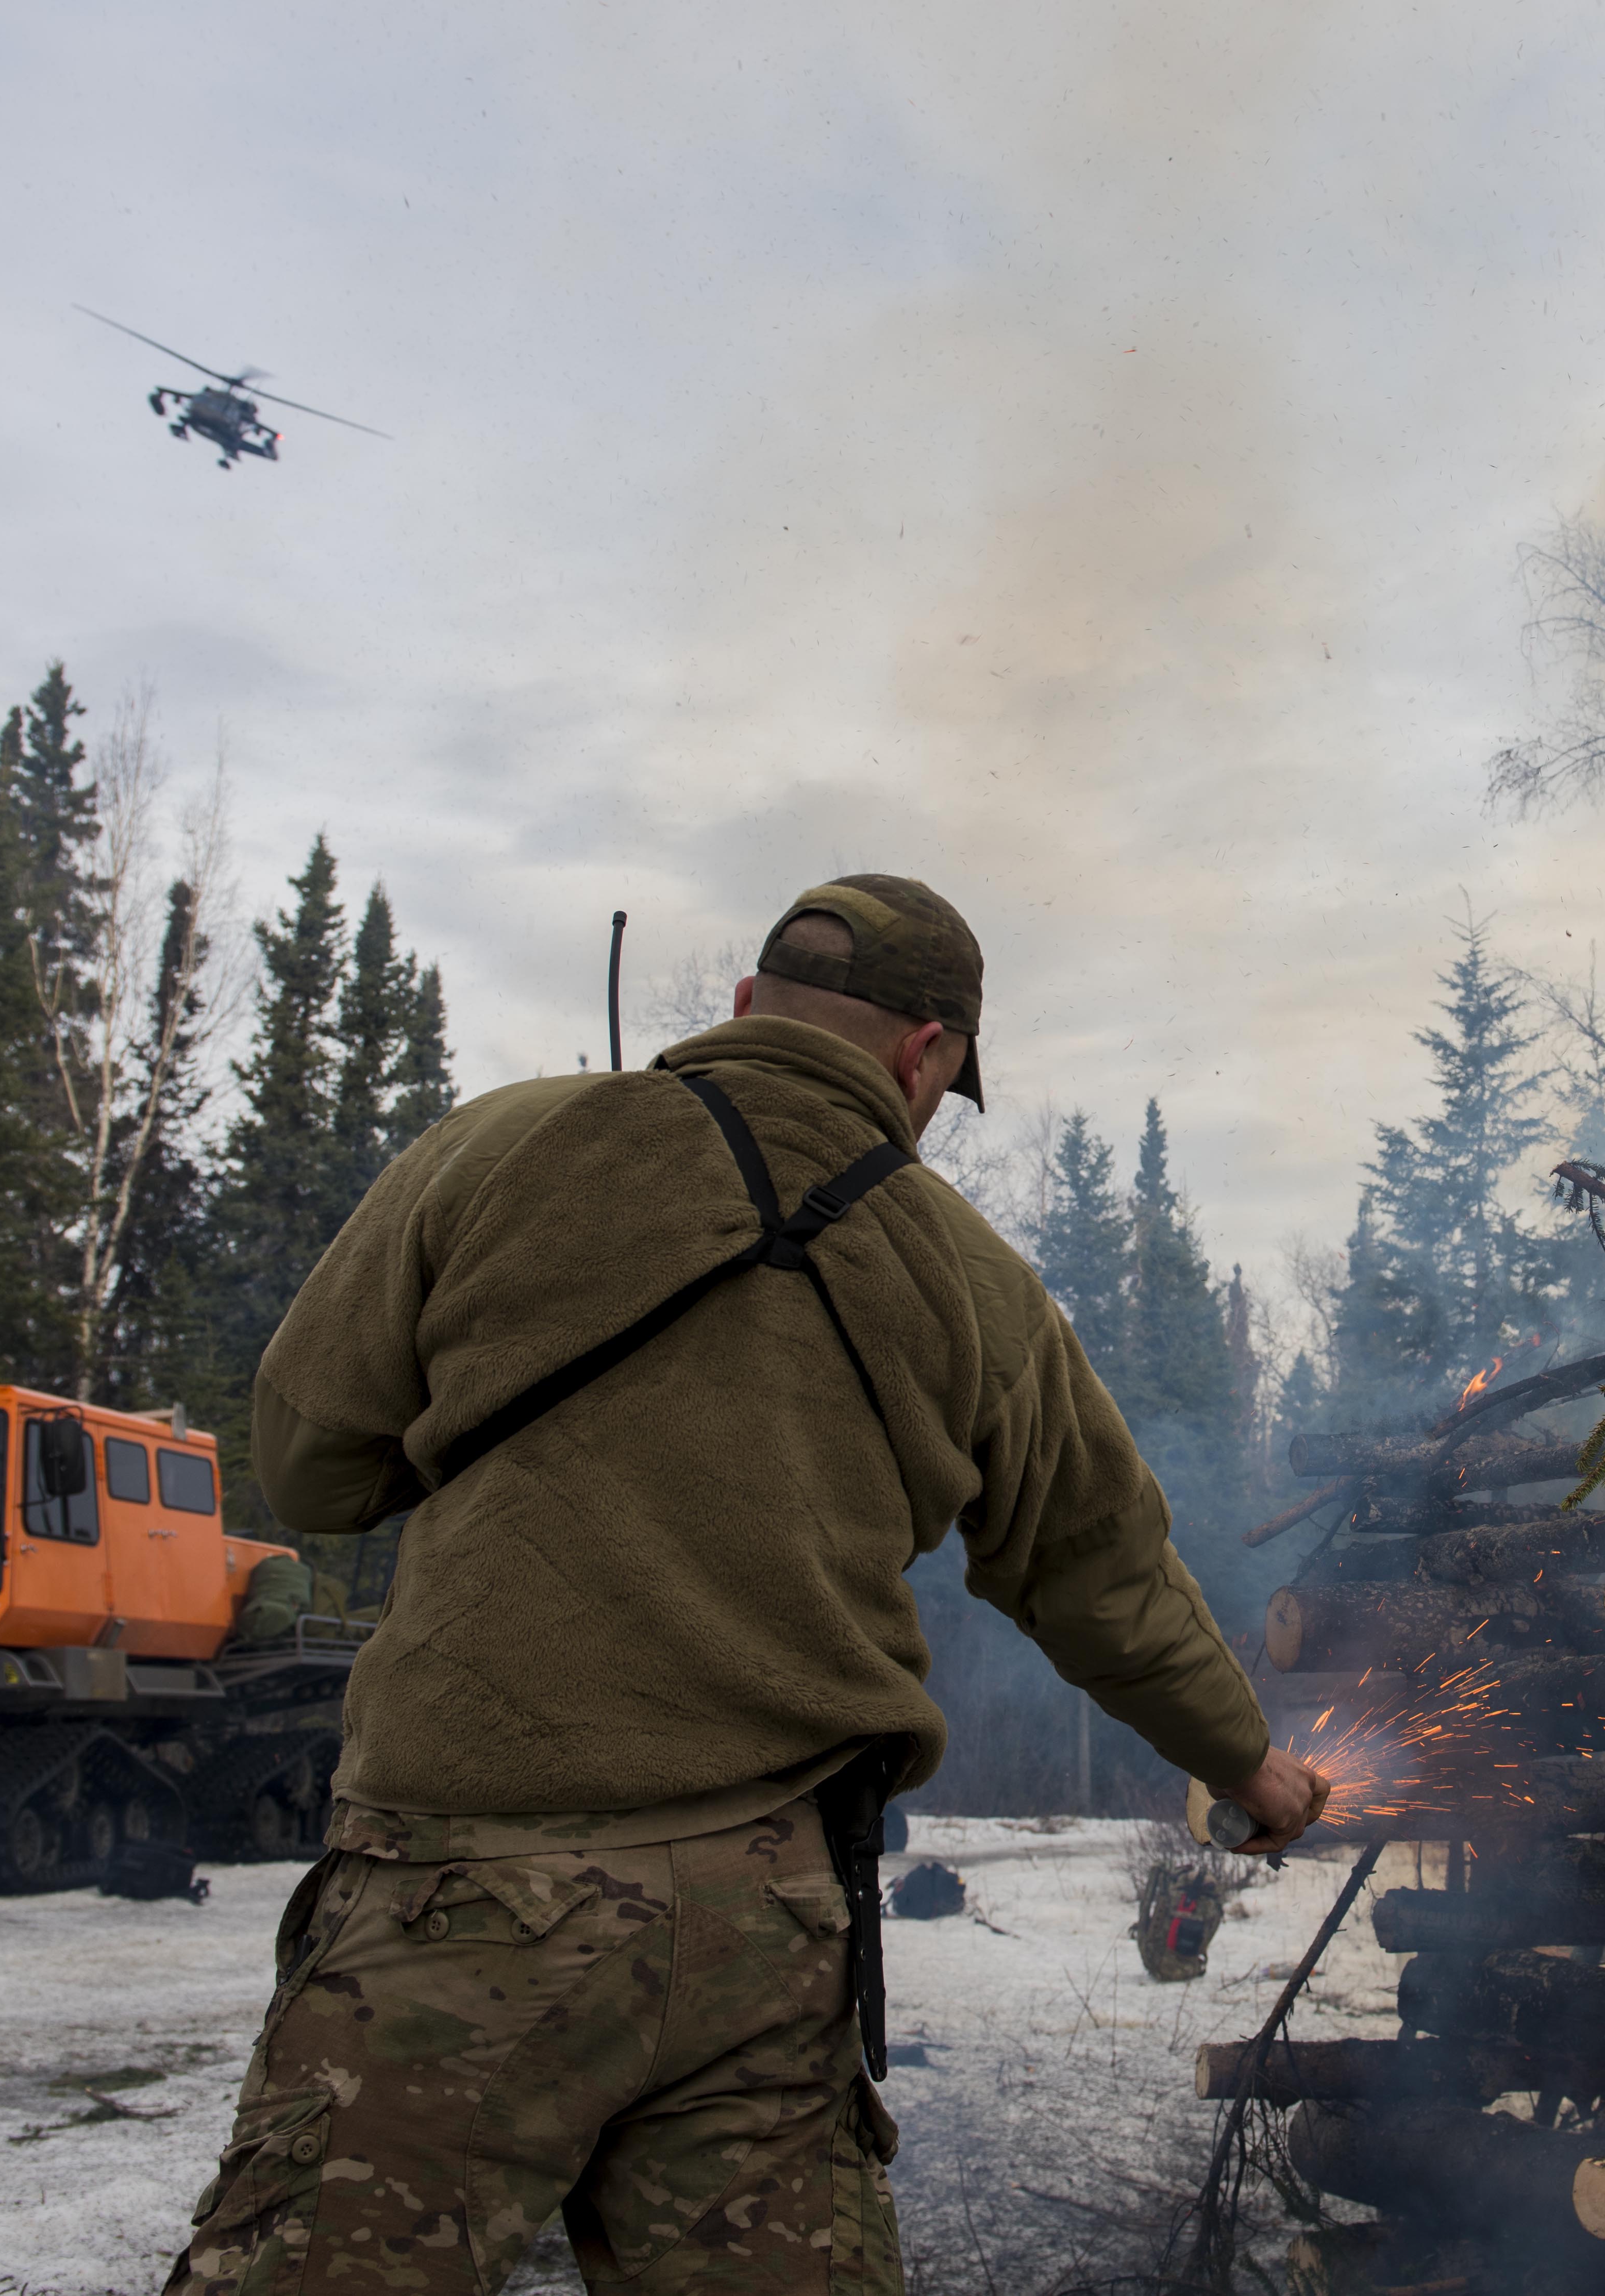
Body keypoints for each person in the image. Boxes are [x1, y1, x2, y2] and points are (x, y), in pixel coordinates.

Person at [166, 873, 1328, 2296]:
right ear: (927, 1054)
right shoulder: (971, 1276)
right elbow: (1105, 1582)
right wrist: (1249, 1769)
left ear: (741, 1006)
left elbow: (311, 1473)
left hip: (461, 1909)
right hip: (765, 1932)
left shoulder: (500, 1148)